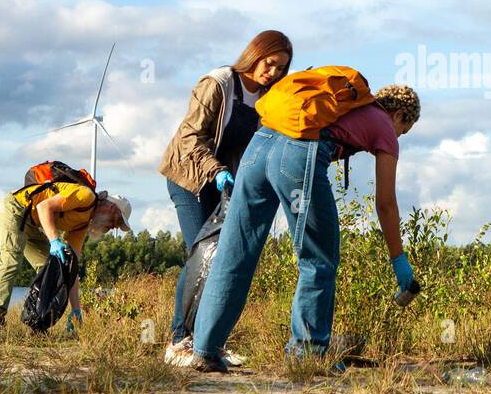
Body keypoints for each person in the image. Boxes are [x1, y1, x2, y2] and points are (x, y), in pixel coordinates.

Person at [178, 82, 422, 372]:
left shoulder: (343, 108)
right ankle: (308, 355)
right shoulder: (383, 124)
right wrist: (399, 259)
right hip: (296, 152)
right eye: (403, 131)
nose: (397, 137)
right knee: (318, 257)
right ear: (399, 116)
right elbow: (385, 203)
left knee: (234, 251)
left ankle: (205, 350)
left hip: (259, 146)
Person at [157, 30, 293, 361]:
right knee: (202, 255)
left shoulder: (266, 98)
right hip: (190, 177)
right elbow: (190, 137)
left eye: (280, 69)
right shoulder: (217, 83)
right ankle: (178, 342)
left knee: (222, 259)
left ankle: (208, 341)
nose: (272, 73)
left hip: (226, 183)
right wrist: (216, 170)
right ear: (255, 53)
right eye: (270, 64)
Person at [0, 181, 132, 332]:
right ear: (111, 207)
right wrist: (54, 241)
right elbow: (44, 207)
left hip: (31, 222)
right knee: (11, 261)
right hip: (15, 208)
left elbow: (71, 269)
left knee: (54, 270)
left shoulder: (81, 226)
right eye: (118, 220)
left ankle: (37, 324)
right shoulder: (85, 196)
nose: (115, 227)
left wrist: (76, 310)